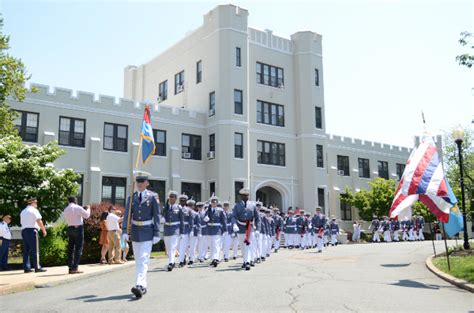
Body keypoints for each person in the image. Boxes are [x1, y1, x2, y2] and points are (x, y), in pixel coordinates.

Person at [122, 173, 161, 299]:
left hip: (147, 231)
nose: (139, 183)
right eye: (138, 181)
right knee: (138, 259)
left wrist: (156, 232)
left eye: (142, 181)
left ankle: (139, 285)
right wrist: (124, 231)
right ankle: (143, 286)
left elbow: (157, 216)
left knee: (144, 258)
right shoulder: (132, 198)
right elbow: (127, 215)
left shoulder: (153, 197)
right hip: (135, 231)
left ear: (147, 183)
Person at [231, 188, 260, 271]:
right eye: (244, 195)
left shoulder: (252, 205)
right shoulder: (237, 206)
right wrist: (234, 225)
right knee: (242, 246)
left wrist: (258, 229)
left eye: (247, 195)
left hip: (249, 227)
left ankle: (248, 262)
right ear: (241, 196)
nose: (245, 197)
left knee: (248, 244)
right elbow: (233, 216)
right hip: (240, 227)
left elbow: (257, 218)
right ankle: (245, 260)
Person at [63, 196, 91, 274]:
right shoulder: (78, 207)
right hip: (78, 228)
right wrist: (88, 208)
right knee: (78, 248)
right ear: (75, 201)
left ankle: (70, 267)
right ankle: (75, 267)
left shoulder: (66, 209)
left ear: (68, 201)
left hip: (70, 228)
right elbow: (87, 215)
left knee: (70, 248)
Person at [20, 197, 47, 273]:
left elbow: (22, 223)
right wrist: (44, 230)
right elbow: (39, 221)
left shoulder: (23, 211)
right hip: (32, 231)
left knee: (26, 250)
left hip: (24, 231)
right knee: (35, 250)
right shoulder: (34, 210)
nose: (36, 204)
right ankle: (37, 267)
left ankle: (26, 268)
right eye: (36, 202)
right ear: (31, 203)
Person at [162, 190, 183, 271]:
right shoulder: (165, 207)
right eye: (170, 197)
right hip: (167, 229)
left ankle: (171, 262)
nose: (171, 198)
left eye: (173, 197)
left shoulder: (178, 207)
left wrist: (182, 232)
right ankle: (172, 261)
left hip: (175, 229)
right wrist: (162, 218)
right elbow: (162, 215)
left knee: (173, 246)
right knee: (168, 247)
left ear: (176, 199)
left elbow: (181, 220)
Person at [205, 195, 227, 267]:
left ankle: (216, 259)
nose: (214, 203)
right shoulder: (207, 210)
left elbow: (224, 221)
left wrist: (225, 230)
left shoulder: (220, 210)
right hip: (209, 230)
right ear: (211, 203)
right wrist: (205, 219)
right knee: (211, 245)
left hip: (217, 229)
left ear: (217, 203)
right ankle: (213, 259)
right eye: (212, 202)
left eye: (215, 202)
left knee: (216, 244)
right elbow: (204, 219)